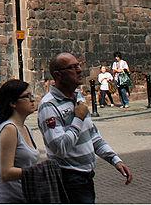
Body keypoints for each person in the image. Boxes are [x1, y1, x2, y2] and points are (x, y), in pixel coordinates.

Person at [39, 53, 132, 203]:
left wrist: (115, 160)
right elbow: (59, 148)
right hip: (68, 179)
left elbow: (93, 135)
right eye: (72, 67)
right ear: (58, 75)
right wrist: (78, 118)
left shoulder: (78, 97)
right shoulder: (49, 106)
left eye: (79, 65)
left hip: (86, 176)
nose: (79, 70)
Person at [0, 79, 41, 203]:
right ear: (13, 103)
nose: (32, 100)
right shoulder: (9, 129)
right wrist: (40, 170)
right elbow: (6, 172)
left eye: (32, 95)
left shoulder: (25, 128)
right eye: (26, 96)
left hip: (27, 197)